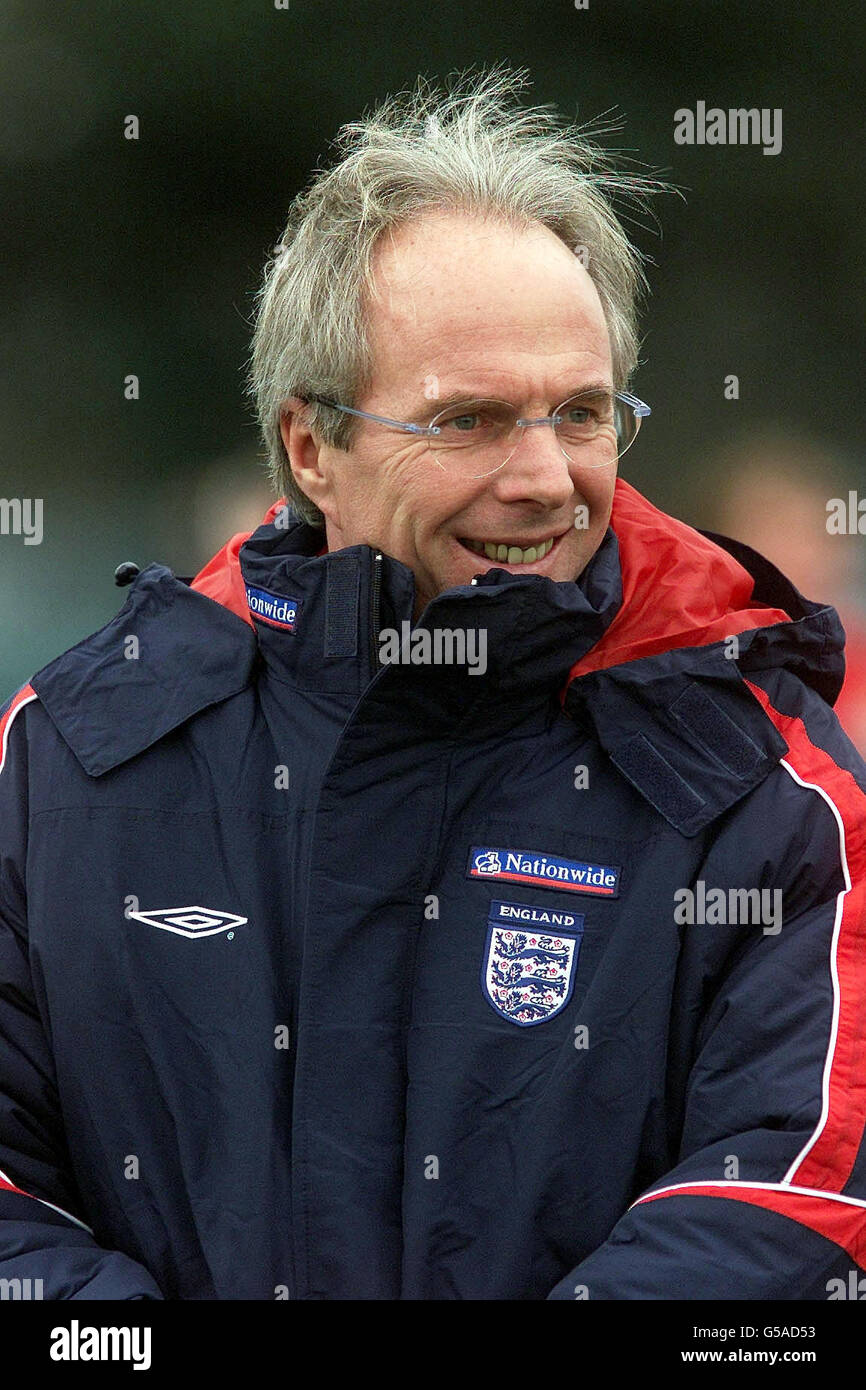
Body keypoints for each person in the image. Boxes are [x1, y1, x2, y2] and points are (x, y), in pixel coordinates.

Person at [1, 70, 864, 1302]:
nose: (544, 479)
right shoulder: (66, 756)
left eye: (578, 411)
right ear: (311, 447)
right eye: (467, 421)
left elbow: (796, 1202)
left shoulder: (767, 787)